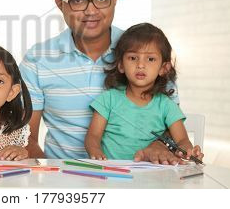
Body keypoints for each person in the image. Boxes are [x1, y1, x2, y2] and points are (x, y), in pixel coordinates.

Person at [20, 0, 182, 164]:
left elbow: (173, 126)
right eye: (78, 1)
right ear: (60, 5)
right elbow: (26, 138)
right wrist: (50, 176)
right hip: (64, 182)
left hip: (140, 177)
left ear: (114, 0)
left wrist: (158, 145)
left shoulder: (148, 54)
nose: (91, 10)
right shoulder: (37, 60)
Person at [85, 23, 204, 162]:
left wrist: (187, 151)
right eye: (133, 58)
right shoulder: (108, 99)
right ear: (121, 65)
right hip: (112, 174)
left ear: (164, 68)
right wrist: (96, 152)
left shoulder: (166, 105)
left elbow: (182, 139)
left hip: (151, 177)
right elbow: (92, 136)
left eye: (150, 59)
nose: (140, 65)